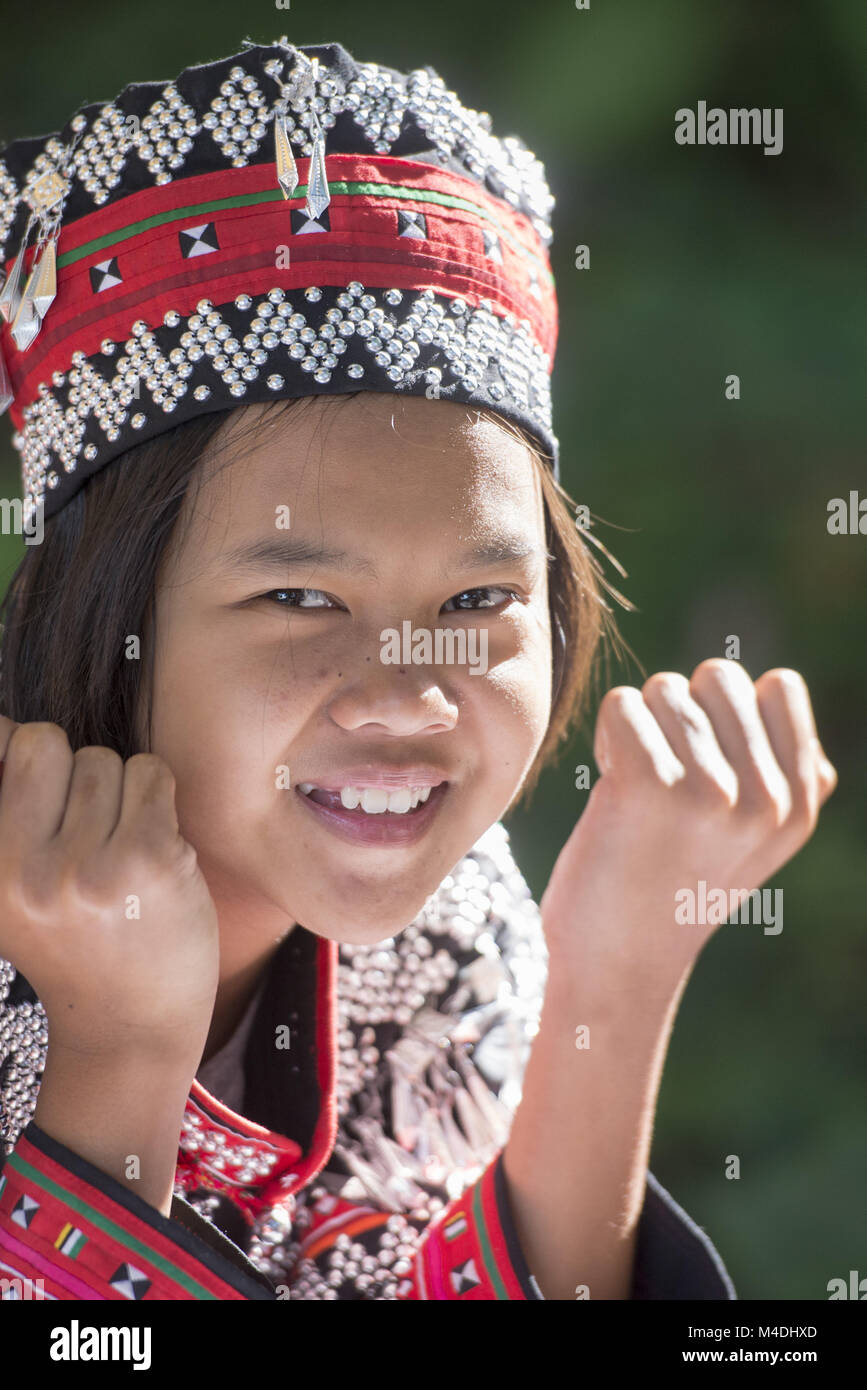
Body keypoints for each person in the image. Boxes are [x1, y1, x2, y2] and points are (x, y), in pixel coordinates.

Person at [0, 37, 835, 1302]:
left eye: (478, 599)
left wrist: (616, 954)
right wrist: (114, 1061)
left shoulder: (455, 937)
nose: (407, 693)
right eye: (298, 597)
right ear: (102, 611)